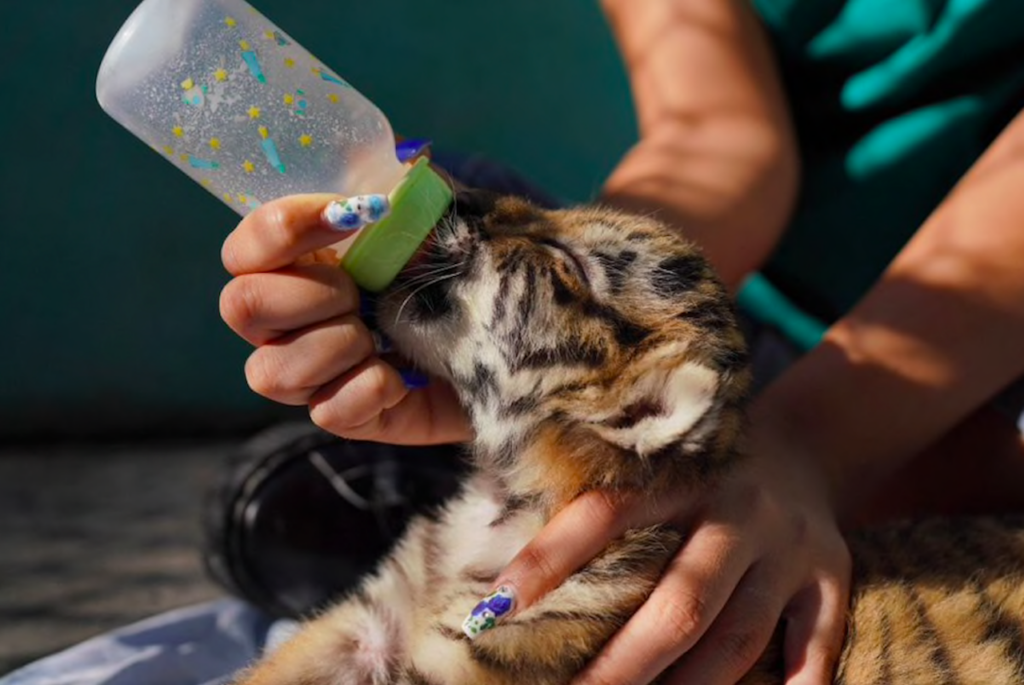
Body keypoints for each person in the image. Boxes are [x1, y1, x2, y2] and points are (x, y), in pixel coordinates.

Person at [218, 0, 1024, 683]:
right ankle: (477, 468)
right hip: (740, 340)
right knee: (438, 198)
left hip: (967, 373)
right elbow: (715, 133)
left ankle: (445, 492)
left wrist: (804, 446)